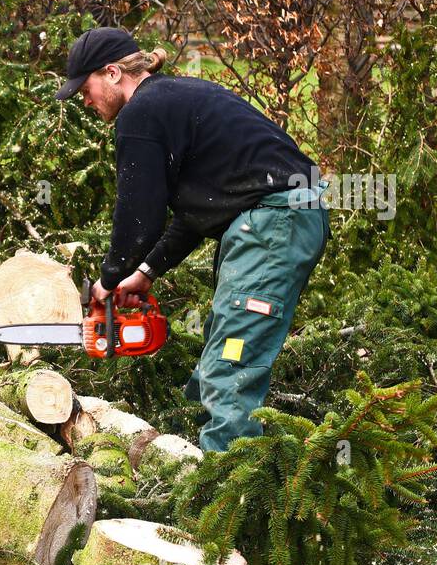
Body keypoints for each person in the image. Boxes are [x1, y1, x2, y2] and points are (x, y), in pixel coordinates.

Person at [56, 27, 330, 452]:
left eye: (85, 89)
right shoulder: (172, 98)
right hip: (270, 219)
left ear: (111, 73)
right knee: (221, 354)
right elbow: (197, 212)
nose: (85, 101)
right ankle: (188, 462)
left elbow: (138, 216)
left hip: (274, 222)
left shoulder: (141, 114)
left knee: (231, 365)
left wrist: (109, 279)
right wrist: (145, 273)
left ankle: (224, 497)